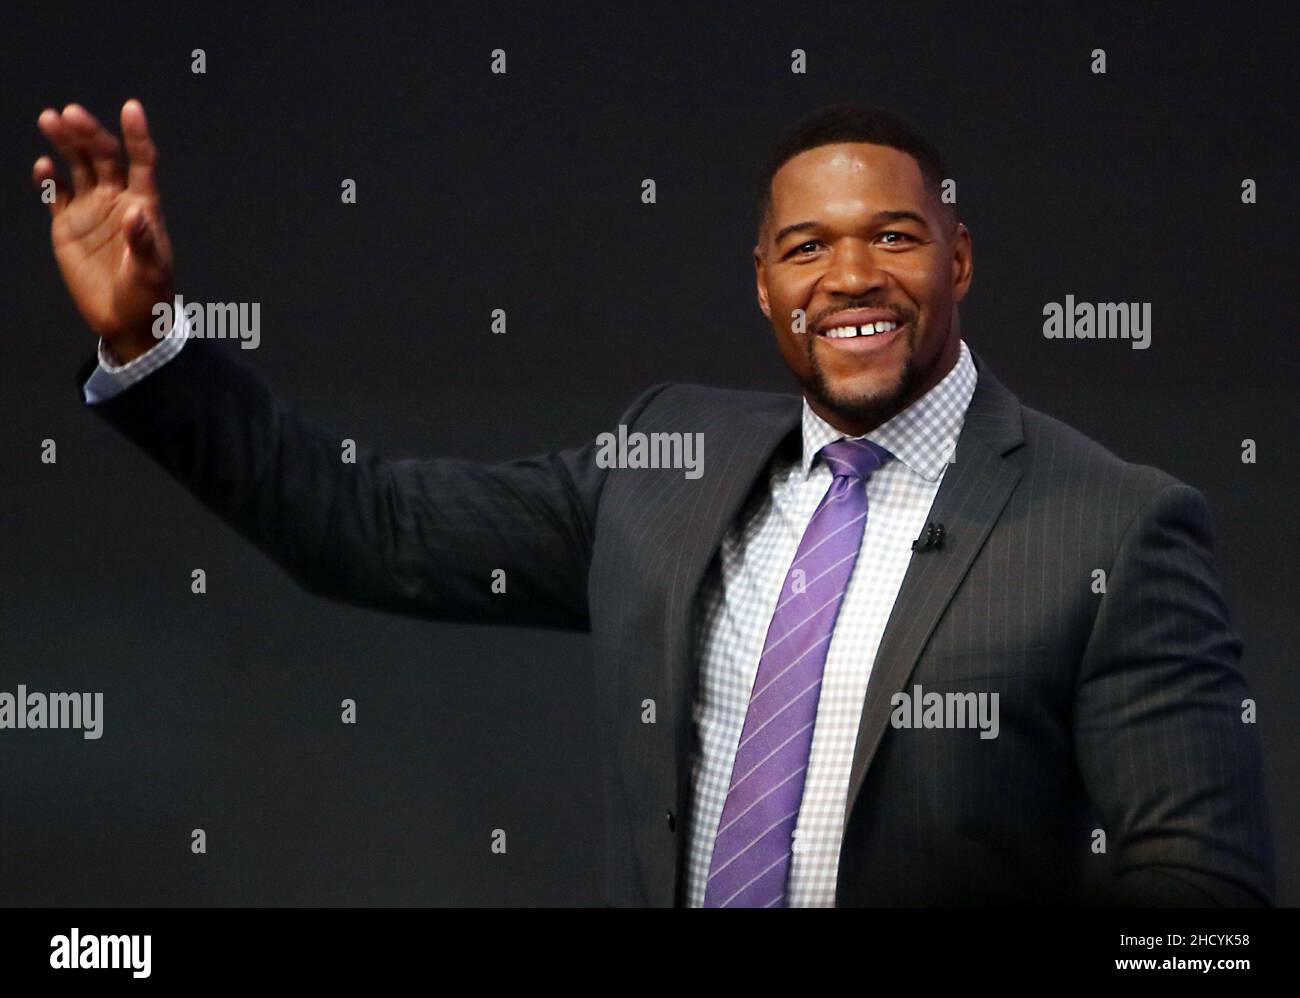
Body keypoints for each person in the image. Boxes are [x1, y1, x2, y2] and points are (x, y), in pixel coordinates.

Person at [33, 99, 1274, 906]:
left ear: (958, 258)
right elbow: (368, 527)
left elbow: (1200, 894)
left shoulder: (1112, 522)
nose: (850, 274)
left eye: (893, 237)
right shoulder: (664, 457)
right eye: (806, 247)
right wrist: (150, 340)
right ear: (761, 281)